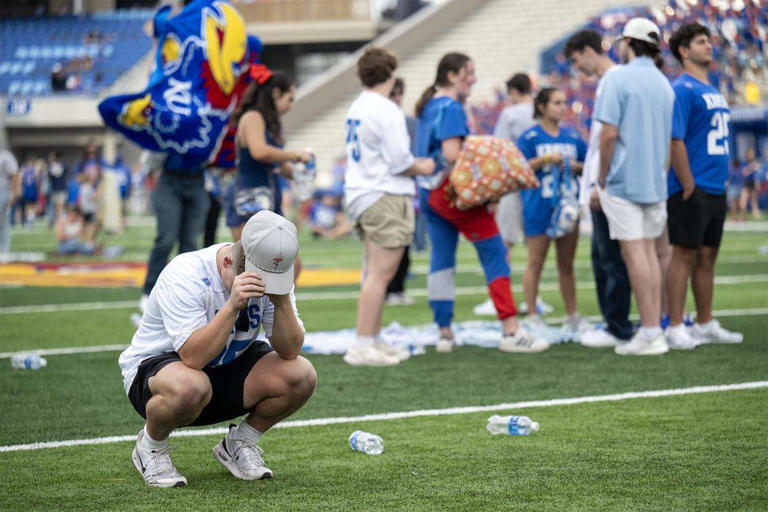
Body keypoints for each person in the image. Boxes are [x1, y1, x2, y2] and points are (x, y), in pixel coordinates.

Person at [118, 210, 316, 488]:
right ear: (227, 262)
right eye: (257, 279)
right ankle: (150, 446)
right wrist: (232, 305)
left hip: (224, 366)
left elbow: (290, 350)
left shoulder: (273, 270)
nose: (262, 288)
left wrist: (281, 301)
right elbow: (193, 357)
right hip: (162, 372)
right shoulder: (185, 272)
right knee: (191, 386)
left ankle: (239, 444)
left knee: (301, 374)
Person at [414, 52, 548, 354]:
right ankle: (511, 330)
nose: (473, 79)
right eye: (468, 73)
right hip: (454, 192)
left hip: (429, 193)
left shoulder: (428, 105)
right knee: (495, 254)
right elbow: (451, 153)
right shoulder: (450, 106)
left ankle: (444, 331)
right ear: (451, 75)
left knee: (442, 261)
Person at [342, 47, 435, 366]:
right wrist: (424, 166)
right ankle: (364, 342)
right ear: (389, 73)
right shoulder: (386, 108)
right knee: (380, 275)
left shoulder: (358, 105)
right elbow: (399, 161)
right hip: (382, 194)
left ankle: (373, 337)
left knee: (374, 272)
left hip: (362, 192)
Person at [594, 18, 674, 356]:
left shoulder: (618, 78)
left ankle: (651, 331)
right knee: (652, 256)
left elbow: (609, 134)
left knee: (636, 255)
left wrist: (601, 175)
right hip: (655, 181)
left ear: (628, 42)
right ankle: (653, 327)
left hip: (626, 181)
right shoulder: (665, 84)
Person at [665, 23, 743, 347]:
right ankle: (674, 326)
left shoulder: (712, 88)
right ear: (684, 50)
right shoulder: (682, 88)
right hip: (692, 186)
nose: (709, 46)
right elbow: (675, 138)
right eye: (701, 42)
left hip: (715, 185)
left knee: (708, 256)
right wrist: (687, 182)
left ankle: (705, 322)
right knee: (683, 254)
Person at [565, 29, 634, 348]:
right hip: (604, 183)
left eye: (579, 62)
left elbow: (612, 138)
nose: (579, 71)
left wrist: (600, 182)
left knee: (612, 258)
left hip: (611, 184)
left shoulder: (616, 78)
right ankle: (613, 321)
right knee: (602, 257)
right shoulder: (612, 80)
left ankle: (618, 325)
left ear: (590, 51)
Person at [474, 72, 553, 318]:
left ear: (514, 92)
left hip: (512, 184)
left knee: (504, 242)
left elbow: (499, 148)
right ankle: (534, 296)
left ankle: (498, 297)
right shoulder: (540, 112)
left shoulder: (510, 113)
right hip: (537, 182)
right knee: (534, 243)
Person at [517, 87, 591, 341]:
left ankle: (572, 315)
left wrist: (572, 164)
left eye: (564, 102)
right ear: (542, 107)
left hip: (567, 208)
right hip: (538, 206)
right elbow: (519, 168)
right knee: (535, 262)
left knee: (566, 264)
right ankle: (532, 315)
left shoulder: (572, 136)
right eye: (556, 103)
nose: (562, 107)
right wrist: (546, 159)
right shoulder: (530, 137)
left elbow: (588, 166)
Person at [226, 68, 312, 242]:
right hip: (249, 197)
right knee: (249, 262)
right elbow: (259, 152)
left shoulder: (271, 123)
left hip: (269, 198)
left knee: (290, 263)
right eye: (290, 99)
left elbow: (278, 166)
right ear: (276, 93)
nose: (291, 106)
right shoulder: (252, 117)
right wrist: (296, 155)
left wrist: (300, 173)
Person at [385, 77, 417, 307]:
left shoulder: (401, 121)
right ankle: (389, 289)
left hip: (402, 191)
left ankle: (398, 288)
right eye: (393, 94)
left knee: (404, 244)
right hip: (385, 192)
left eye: (399, 94)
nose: (397, 100)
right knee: (388, 248)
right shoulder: (385, 120)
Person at [0, 146, 19, 261]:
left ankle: (4, 252)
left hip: (3, 192)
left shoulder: (5, 157)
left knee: (3, 223)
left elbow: (14, 175)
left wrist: (13, 194)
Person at [739, 148, 763, 220]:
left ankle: (755, 214)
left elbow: (756, 174)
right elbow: (744, 173)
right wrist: (752, 166)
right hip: (746, 184)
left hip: (753, 183)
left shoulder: (754, 162)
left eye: (752, 154)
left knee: (754, 201)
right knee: (743, 201)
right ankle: (743, 216)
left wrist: (757, 182)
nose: (751, 155)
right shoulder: (744, 163)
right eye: (750, 154)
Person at [47, 152, 69, 227]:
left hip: (60, 188)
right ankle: (55, 221)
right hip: (55, 188)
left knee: (59, 206)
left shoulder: (63, 166)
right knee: (55, 206)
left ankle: (58, 221)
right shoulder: (52, 166)